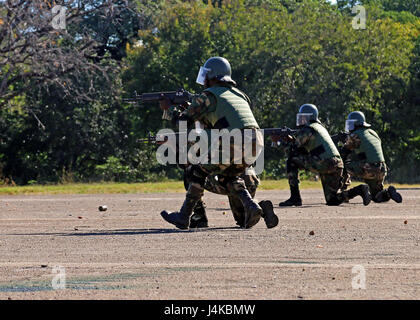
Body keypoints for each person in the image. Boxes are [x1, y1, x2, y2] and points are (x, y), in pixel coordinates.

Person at [159, 57, 278, 229]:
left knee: (196, 171)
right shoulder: (239, 94)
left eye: (206, 75)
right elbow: (223, 120)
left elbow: (182, 122)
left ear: (213, 76)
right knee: (228, 176)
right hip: (255, 142)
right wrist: (193, 108)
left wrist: (168, 108)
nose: (205, 80)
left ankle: (184, 217)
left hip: (234, 140)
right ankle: (252, 206)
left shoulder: (208, 95)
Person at [272, 104, 371, 207]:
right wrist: (290, 140)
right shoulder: (319, 128)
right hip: (337, 165)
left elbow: (292, 150)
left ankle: (295, 198)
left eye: (304, 117)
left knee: (291, 160)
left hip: (325, 163)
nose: (302, 119)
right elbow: (302, 148)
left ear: (310, 117)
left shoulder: (308, 129)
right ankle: (359, 190)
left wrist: (278, 142)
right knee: (332, 200)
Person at [341, 111, 402, 203]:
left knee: (342, 165)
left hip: (369, 168)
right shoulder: (372, 132)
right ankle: (388, 193)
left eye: (351, 123)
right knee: (376, 197)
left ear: (356, 124)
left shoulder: (354, 135)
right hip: (382, 169)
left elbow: (344, 152)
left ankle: (344, 193)